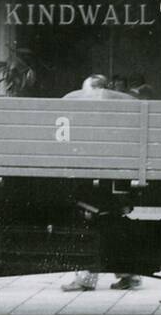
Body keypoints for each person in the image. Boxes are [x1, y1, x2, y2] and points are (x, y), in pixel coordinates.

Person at [59, 74, 142, 292]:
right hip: (117, 177)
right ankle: (127, 275)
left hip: (94, 177)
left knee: (89, 222)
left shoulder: (85, 105)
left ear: (95, 90)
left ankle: (86, 278)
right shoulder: (124, 105)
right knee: (110, 223)